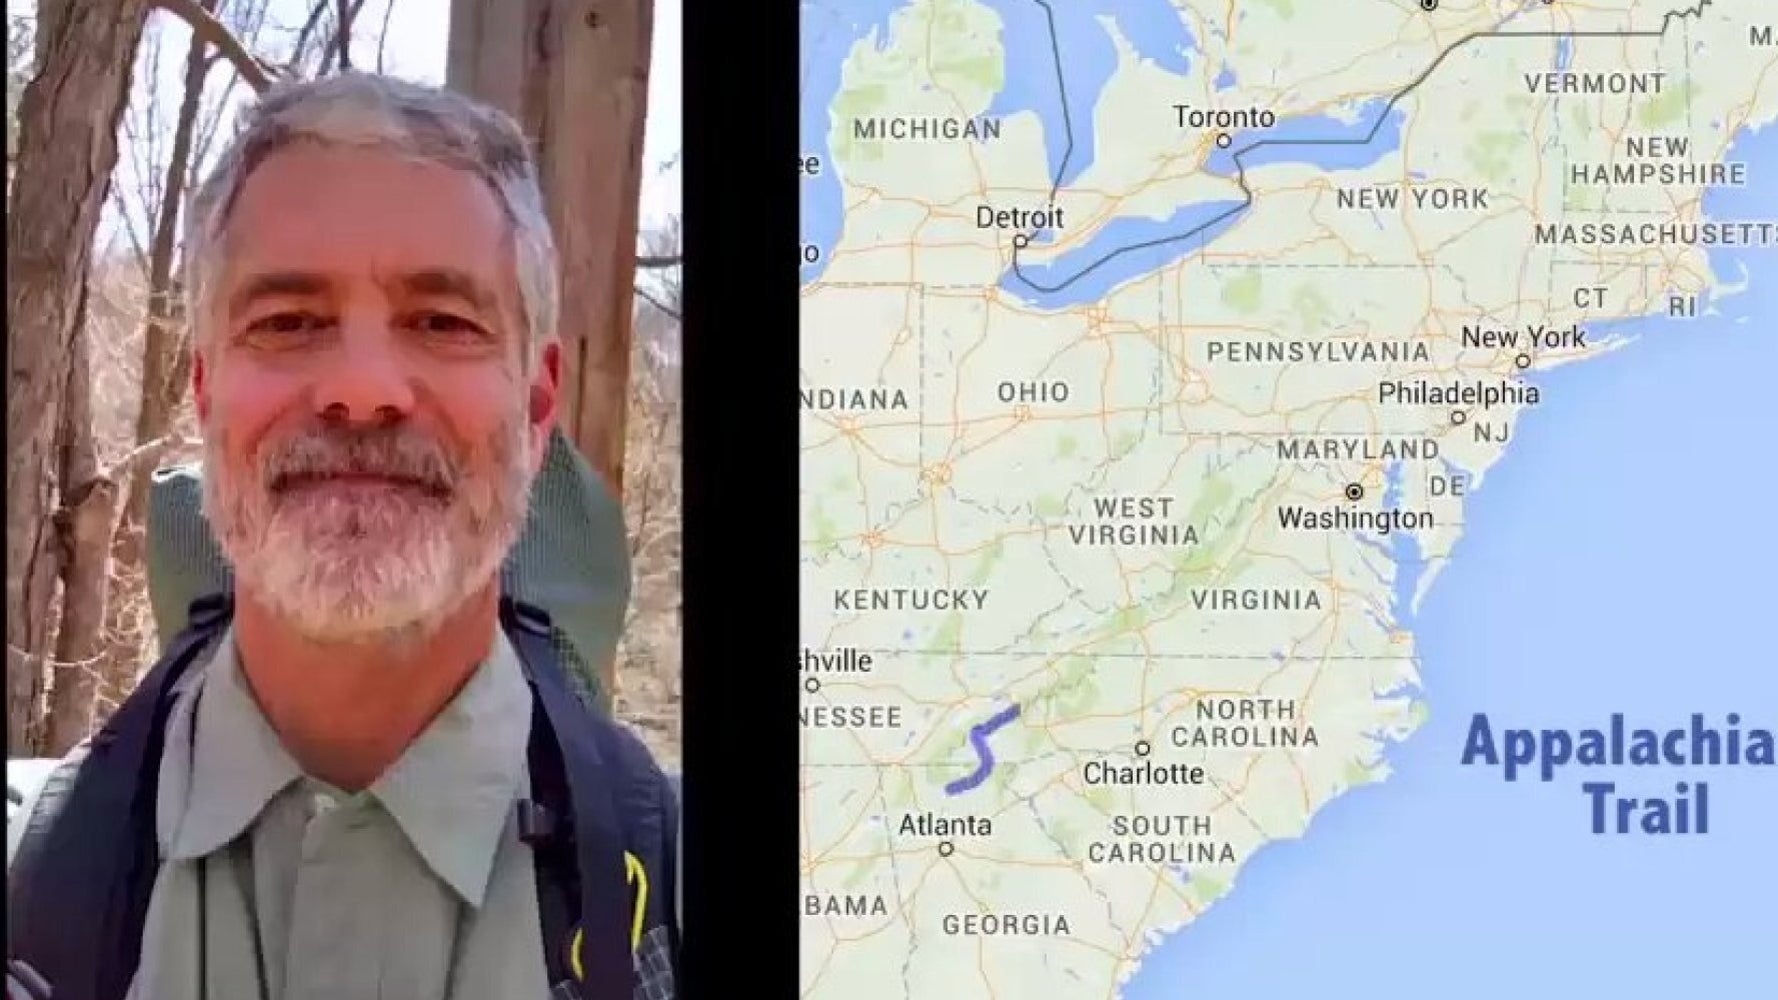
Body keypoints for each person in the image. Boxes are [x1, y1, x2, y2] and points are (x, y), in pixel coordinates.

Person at [5, 72, 679, 1000]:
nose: (363, 389)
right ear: (204, 392)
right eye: (288, 321)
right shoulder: (24, 888)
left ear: (536, 401)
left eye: (442, 321)